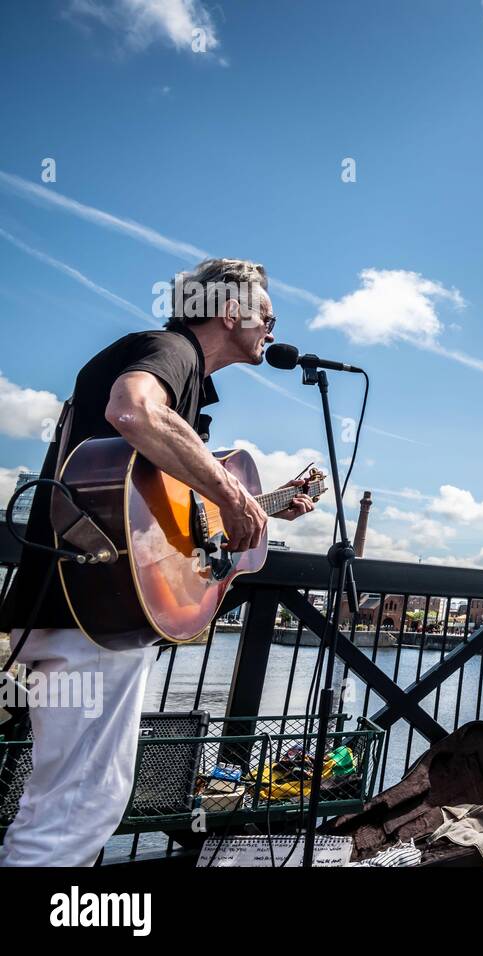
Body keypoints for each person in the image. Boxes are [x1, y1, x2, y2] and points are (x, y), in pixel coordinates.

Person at [0, 258, 316, 867]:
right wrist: (231, 494)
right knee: (77, 807)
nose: (272, 329)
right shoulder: (169, 349)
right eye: (267, 316)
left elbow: (162, 518)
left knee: (71, 800)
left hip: (86, 608)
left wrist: (259, 507)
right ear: (230, 312)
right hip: (90, 617)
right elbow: (134, 412)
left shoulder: (182, 372)